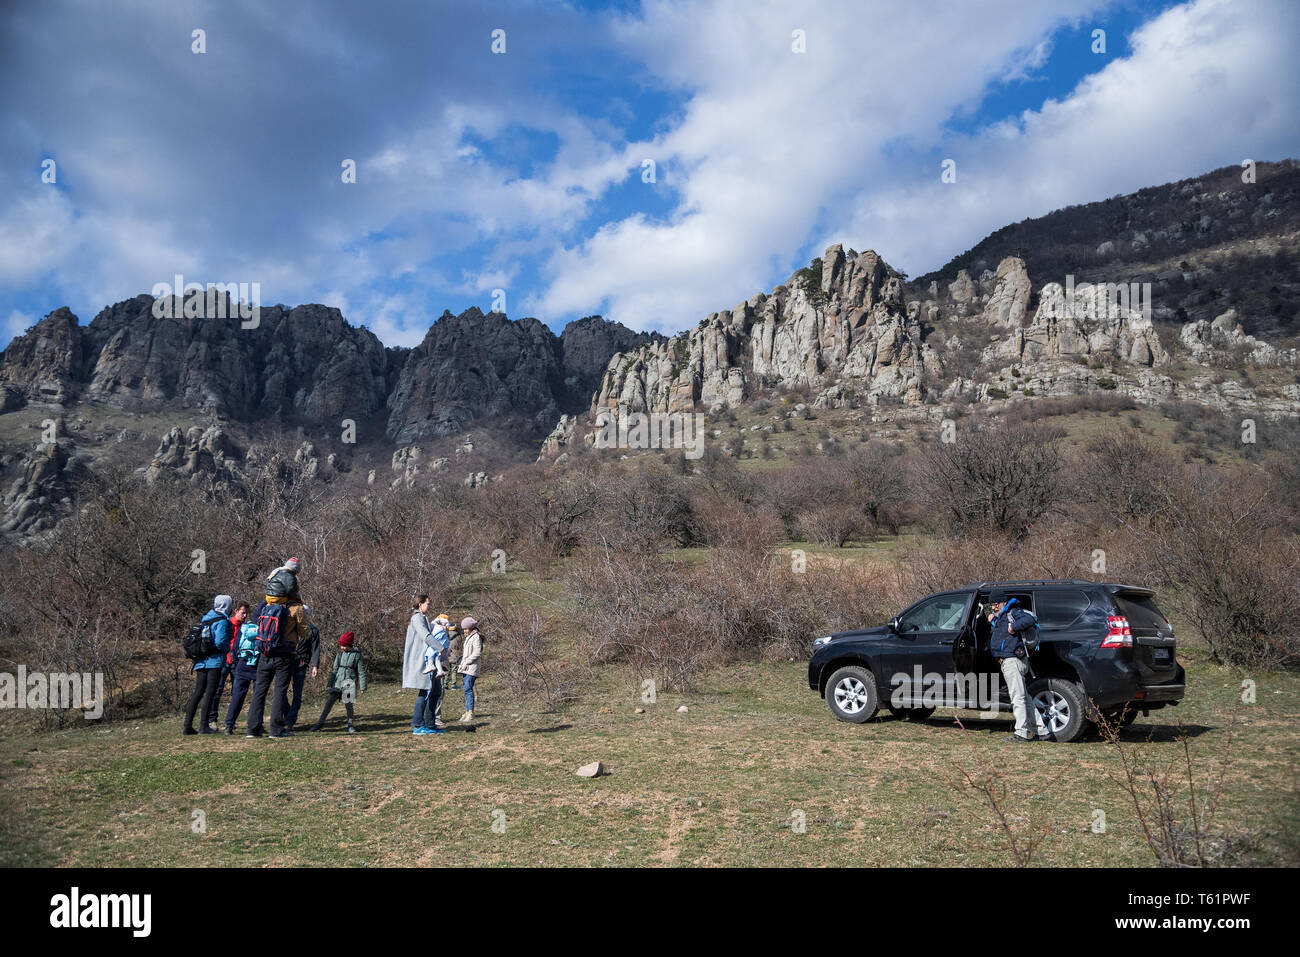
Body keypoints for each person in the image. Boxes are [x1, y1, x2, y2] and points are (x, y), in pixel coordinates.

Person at [246, 589, 309, 739]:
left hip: (265, 652)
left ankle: (252, 729)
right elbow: (304, 632)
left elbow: (256, 624)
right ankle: (276, 729)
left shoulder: (266, 605)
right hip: (284, 655)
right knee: (280, 692)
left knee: (259, 691)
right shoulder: (296, 608)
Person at [987, 592, 1049, 743]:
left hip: (1012, 661)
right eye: (992, 605)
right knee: (1025, 698)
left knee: (1018, 698)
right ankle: (1042, 731)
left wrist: (1013, 627)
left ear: (1003, 602)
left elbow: (1030, 618)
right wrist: (993, 620)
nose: (994, 607)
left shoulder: (1013, 612)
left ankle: (1021, 733)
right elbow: (1002, 632)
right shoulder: (1003, 616)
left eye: (996, 604)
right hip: (1010, 661)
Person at [183, 595, 233, 735]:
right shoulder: (222, 621)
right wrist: (227, 649)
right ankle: (204, 726)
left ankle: (187, 726)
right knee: (210, 693)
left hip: (200, 661)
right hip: (214, 661)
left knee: (198, 692)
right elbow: (220, 642)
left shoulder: (206, 618)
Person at [402, 595, 445, 735]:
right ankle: (418, 725)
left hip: (428, 659)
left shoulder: (423, 618)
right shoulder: (417, 618)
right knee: (425, 691)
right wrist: (441, 648)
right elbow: (425, 636)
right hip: (421, 661)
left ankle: (430, 724)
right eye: (428, 603)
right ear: (420, 604)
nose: (430, 605)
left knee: (436, 691)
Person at [308, 631, 367, 733]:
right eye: (341, 645)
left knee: (349, 705)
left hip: (349, 682)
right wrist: (329, 684)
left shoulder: (357, 656)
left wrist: (363, 686)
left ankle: (350, 725)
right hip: (337, 683)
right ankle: (319, 724)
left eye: (344, 645)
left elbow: (361, 672)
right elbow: (334, 671)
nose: (342, 647)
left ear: (349, 644)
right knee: (328, 704)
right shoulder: (339, 655)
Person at [207, 601, 247, 728]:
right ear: (236, 611)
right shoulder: (228, 624)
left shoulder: (245, 627)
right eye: (243, 612)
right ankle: (212, 719)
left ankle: (231, 720)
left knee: (236, 692)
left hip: (237, 662)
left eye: (246, 613)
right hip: (225, 661)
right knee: (218, 690)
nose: (245, 615)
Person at [224, 609, 262, 734]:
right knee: (258, 696)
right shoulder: (263, 629)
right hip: (257, 665)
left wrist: (236, 662)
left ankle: (229, 725)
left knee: (237, 696)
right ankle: (256, 724)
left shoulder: (244, 628)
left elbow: (235, 647)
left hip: (242, 664)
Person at [286, 617, 321, 731]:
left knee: (297, 693)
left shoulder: (312, 630)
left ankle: (290, 721)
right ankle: (286, 713)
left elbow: (316, 649)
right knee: (281, 691)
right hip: (287, 663)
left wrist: (315, 666)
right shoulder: (290, 627)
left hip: (301, 664)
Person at [456, 616, 481, 723]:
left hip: (472, 667)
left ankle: (470, 712)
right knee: (466, 689)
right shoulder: (469, 637)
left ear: (471, 628)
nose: (465, 631)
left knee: (468, 688)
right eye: (464, 629)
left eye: (466, 629)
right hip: (466, 668)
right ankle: (467, 711)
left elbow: (477, 652)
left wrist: (467, 661)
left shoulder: (476, 638)